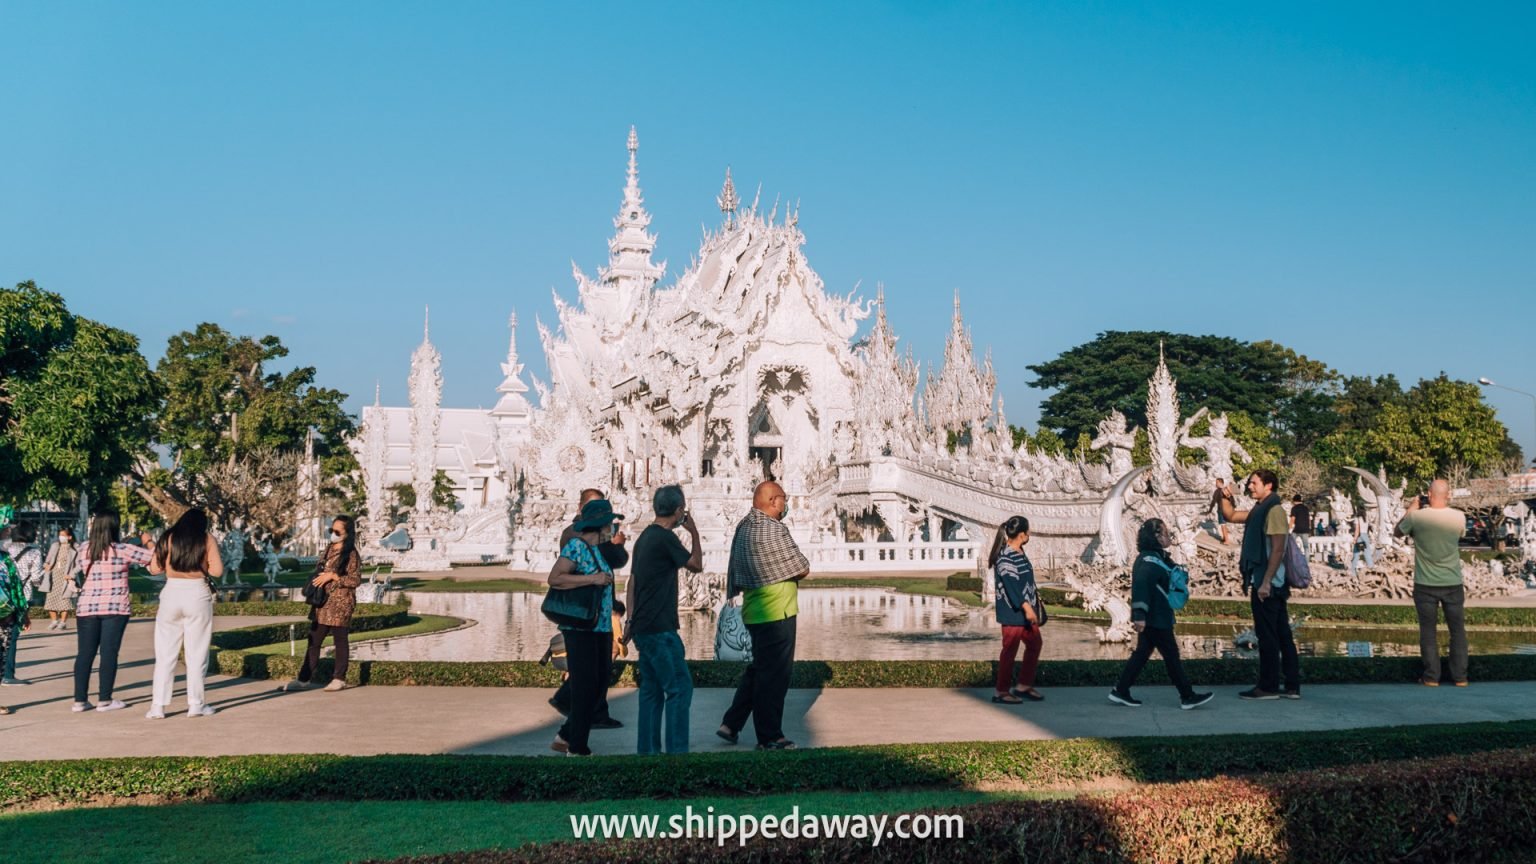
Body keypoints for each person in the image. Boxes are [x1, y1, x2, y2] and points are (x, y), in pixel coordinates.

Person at [718, 481, 808, 751]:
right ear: (772, 501)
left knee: (759, 671)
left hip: (755, 611)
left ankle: (731, 724)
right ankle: (769, 736)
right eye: (783, 498)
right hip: (777, 611)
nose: (785, 503)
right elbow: (801, 567)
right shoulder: (773, 528)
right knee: (774, 676)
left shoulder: (744, 526)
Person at [625, 484, 703, 755]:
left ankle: (647, 753)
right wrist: (693, 531)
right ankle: (676, 754)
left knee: (652, 691)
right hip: (659, 628)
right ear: (679, 510)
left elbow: (632, 582)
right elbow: (696, 565)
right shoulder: (665, 537)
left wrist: (629, 621)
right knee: (679, 688)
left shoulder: (644, 537)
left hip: (643, 627)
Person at [1108, 518, 1214, 709]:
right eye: (1164, 532)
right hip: (1155, 618)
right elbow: (1141, 586)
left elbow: (1172, 573)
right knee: (1171, 656)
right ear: (1155, 536)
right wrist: (1139, 615)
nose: (1168, 535)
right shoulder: (1149, 559)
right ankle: (1187, 696)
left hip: (1158, 616)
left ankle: (1121, 690)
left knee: (1141, 655)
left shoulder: (1158, 557)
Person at [1216, 470, 1301, 700]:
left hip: (1269, 583)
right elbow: (1231, 515)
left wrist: (1265, 583)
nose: (1250, 486)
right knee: (1282, 634)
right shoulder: (1260, 510)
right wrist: (1222, 494)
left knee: (1267, 637)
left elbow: (1277, 549)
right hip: (1271, 582)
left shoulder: (1273, 511)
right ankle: (1292, 687)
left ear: (1269, 485)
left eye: (1254, 483)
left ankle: (1268, 687)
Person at [548, 497, 623, 756]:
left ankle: (566, 735)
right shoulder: (576, 547)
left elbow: (620, 560)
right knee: (584, 686)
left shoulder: (599, 550)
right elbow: (555, 578)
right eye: (610, 524)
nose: (612, 528)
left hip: (601, 627)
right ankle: (577, 747)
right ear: (601, 525)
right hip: (581, 628)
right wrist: (593, 579)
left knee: (598, 684)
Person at [74, 511, 156, 712]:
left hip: (86, 606)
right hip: (114, 606)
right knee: (109, 653)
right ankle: (105, 699)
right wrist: (148, 541)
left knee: (85, 653)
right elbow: (156, 558)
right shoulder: (123, 549)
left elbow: (77, 568)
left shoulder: (84, 548)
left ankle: (79, 700)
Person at [145, 508, 223, 718]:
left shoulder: (168, 538)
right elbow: (217, 571)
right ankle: (196, 704)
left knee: (165, 655)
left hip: (171, 592)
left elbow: (154, 568)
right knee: (196, 653)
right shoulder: (206, 539)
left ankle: (157, 707)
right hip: (197, 592)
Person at [1395, 479, 1468, 687]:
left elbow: (1397, 532)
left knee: (1428, 632)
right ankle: (1460, 677)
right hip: (1452, 581)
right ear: (1449, 494)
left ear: (1428, 493)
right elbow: (1460, 535)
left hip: (1425, 583)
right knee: (1458, 631)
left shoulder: (1417, 518)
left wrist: (1410, 510)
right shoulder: (1458, 517)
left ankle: (1431, 676)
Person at [286, 515, 363, 692]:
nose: (333, 534)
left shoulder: (350, 554)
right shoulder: (328, 549)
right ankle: (304, 679)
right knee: (314, 641)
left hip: (340, 603)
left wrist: (334, 576)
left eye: (337, 532)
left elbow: (355, 579)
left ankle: (339, 678)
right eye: (331, 531)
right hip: (322, 602)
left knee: (340, 640)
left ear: (347, 533)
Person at [991, 515, 1044, 704]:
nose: (1029, 534)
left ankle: (1023, 685)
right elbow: (1012, 586)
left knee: (1035, 644)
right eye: (1028, 531)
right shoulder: (1005, 557)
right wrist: (1027, 608)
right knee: (1009, 651)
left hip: (1026, 610)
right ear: (1022, 534)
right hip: (1013, 612)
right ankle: (1001, 691)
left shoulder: (1019, 551)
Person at [2, 525, 43, 686]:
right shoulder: (34, 552)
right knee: (11, 638)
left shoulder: (6, 549)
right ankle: (8, 674)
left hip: (2, 596)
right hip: (21, 597)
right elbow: (36, 578)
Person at [0, 509, 31, 715]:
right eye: (5, 532)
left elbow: (16, 587)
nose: (9, 535)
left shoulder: (6, 559)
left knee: (1, 659)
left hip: (6, 618)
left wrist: (22, 613)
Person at [42, 526, 80, 630]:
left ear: (69, 537)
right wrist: (46, 565)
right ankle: (54, 621)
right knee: (51, 598)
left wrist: (72, 574)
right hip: (53, 576)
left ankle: (63, 622)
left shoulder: (76, 547)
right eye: (60, 535)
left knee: (65, 599)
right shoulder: (55, 546)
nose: (60, 537)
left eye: (63, 535)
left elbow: (79, 564)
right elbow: (47, 560)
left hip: (66, 577)